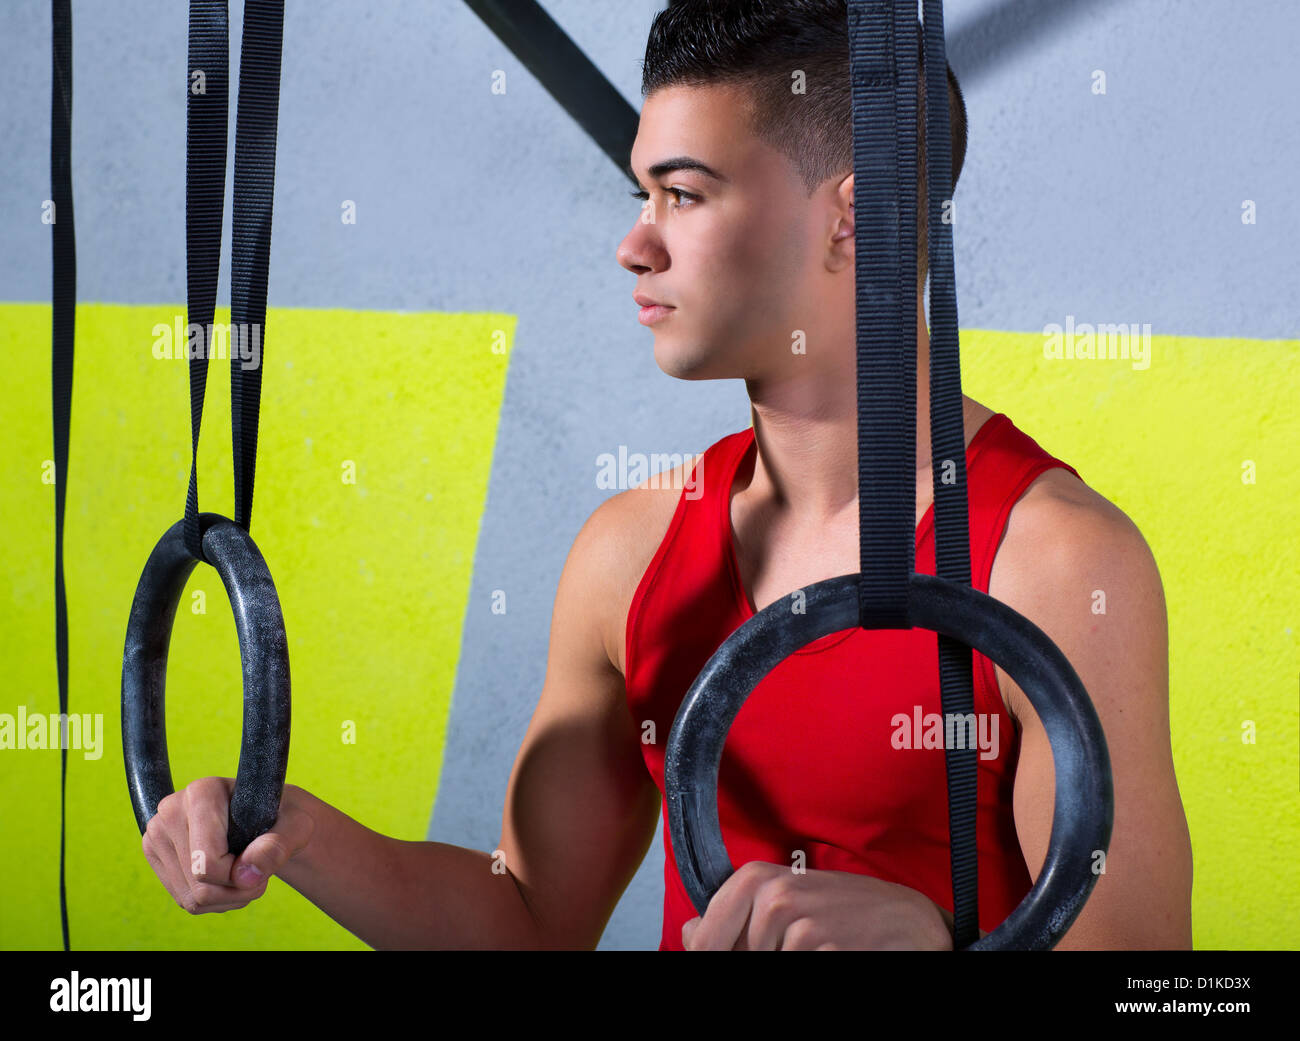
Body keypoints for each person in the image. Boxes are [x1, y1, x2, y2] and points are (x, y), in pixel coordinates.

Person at [141, 0, 1193, 950]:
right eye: (641, 192)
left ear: (852, 218)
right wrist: (289, 828)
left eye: (683, 195)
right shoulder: (631, 553)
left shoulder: (1052, 563)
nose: (633, 246)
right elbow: (528, 919)